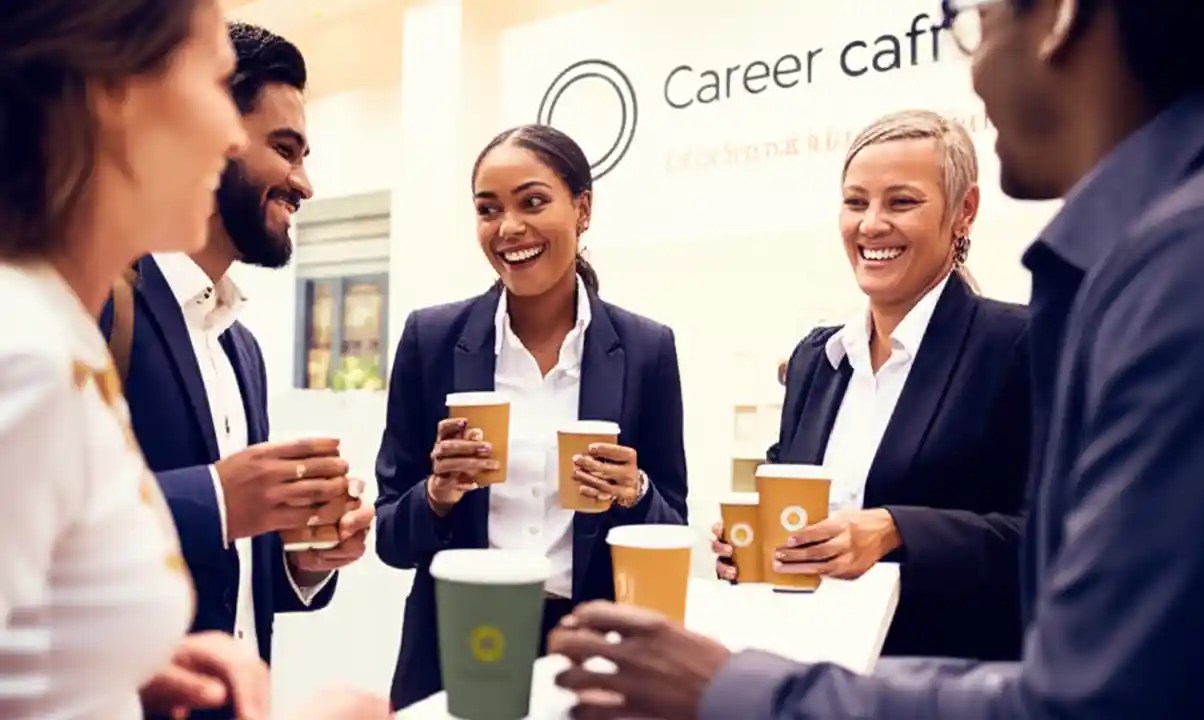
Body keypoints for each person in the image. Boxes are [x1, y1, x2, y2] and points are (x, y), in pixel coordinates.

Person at [547, 1, 1204, 717]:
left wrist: (735, 683)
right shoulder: (818, 359)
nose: (978, 76)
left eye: (976, 21)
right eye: (855, 201)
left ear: (1058, 18)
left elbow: (1095, 683)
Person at [0, 1, 386, 718]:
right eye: (212, 83)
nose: (223, 134)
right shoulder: (29, 347)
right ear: (118, 94)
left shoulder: (71, 334)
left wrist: (114, 669)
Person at [97, 22, 375, 700]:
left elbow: (236, 579)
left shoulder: (241, 348)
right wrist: (219, 498)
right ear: (214, 134)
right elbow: (44, 528)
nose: (304, 183)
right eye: (284, 149)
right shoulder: (102, 303)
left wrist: (302, 564)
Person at [374, 124, 689, 710]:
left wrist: (635, 490)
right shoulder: (432, 339)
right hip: (455, 639)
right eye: (488, 209)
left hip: (592, 648)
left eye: (533, 201)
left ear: (583, 208)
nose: (508, 228)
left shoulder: (646, 349)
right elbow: (390, 536)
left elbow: (672, 525)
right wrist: (438, 493)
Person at [711, 110, 1029, 661]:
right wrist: (746, 542)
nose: (871, 224)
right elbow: (784, 490)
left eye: (901, 202)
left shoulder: (1018, 345)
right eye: (856, 202)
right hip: (809, 666)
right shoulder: (816, 359)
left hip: (945, 687)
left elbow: (1054, 539)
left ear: (964, 212)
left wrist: (895, 530)